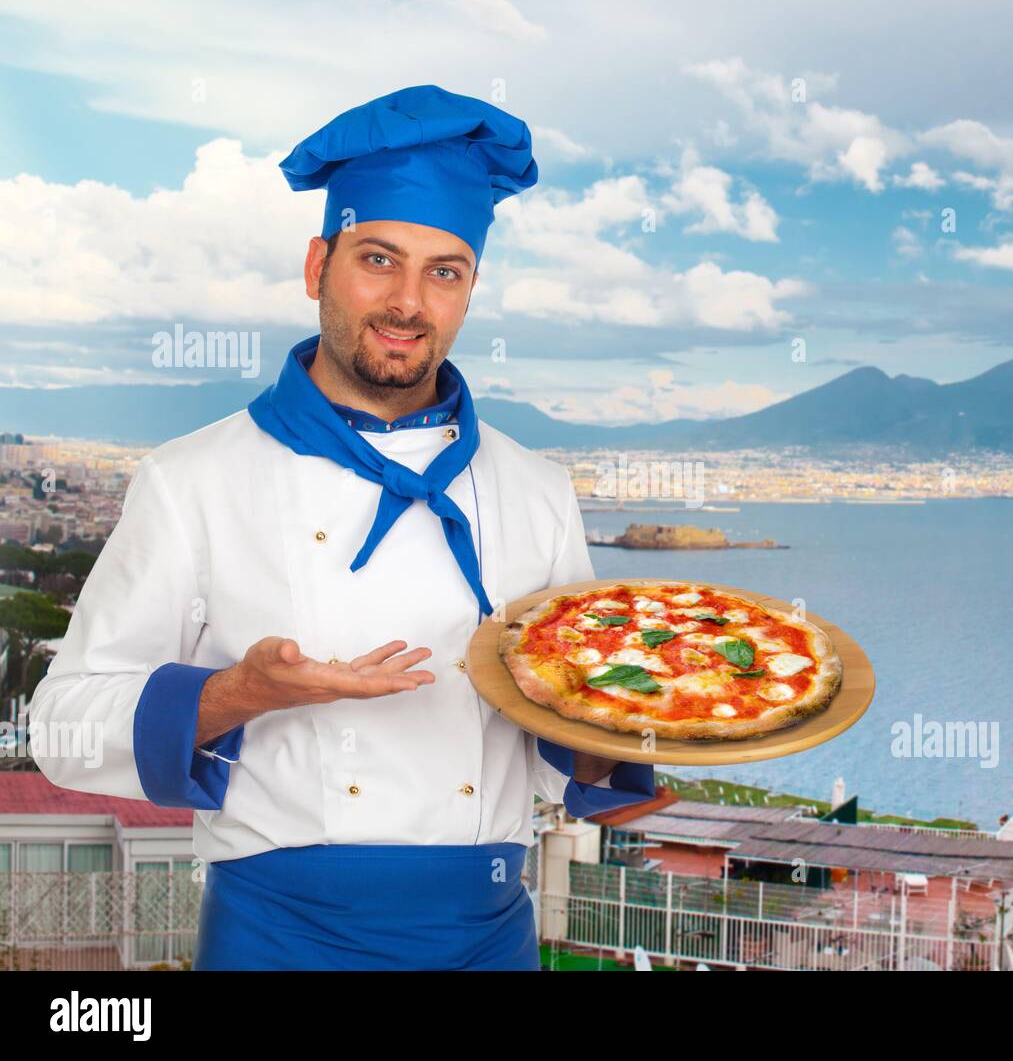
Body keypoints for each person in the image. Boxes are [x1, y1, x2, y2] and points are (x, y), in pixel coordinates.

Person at [27, 84, 656, 971]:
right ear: (318, 265)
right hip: (280, 940)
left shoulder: (537, 489)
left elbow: (571, 746)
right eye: (378, 259)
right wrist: (238, 693)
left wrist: (635, 736)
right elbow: (59, 728)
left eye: (444, 271)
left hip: (489, 939)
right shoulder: (193, 478)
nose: (408, 301)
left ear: (469, 293)